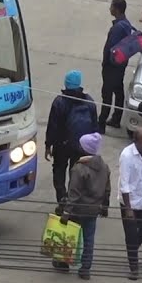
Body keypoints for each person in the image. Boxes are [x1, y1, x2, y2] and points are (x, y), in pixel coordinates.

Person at [57, 132, 110, 280]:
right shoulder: (104, 167)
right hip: (93, 209)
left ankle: (63, 262)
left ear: (84, 149)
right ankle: (85, 268)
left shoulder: (79, 169)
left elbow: (74, 193)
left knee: (68, 237)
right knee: (89, 238)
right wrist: (104, 206)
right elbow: (107, 189)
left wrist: (66, 212)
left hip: (78, 210)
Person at [45, 69, 97, 204]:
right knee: (76, 174)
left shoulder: (59, 102)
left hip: (61, 145)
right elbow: (94, 128)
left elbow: (52, 127)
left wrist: (47, 145)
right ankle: (73, 201)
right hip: (81, 146)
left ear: (66, 84)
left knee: (59, 171)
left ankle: (62, 199)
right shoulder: (89, 102)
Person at [119, 127, 142, 279]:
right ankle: (134, 267)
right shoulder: (127, 156)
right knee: (131, 234)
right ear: (135, 142)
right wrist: (128, 208)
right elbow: (124, 183)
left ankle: (133, 248)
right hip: (131, 201)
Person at [99, 0, 133, 130]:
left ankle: (101, 123)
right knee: (118, 91)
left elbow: (111, 48)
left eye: (111, 6)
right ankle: (116, 118)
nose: (110, 9)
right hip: (121, 64)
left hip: (112, 66)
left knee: (107, 94)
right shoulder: (126, 23)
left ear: (117, 9)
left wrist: (105, 63)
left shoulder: (117, 28)